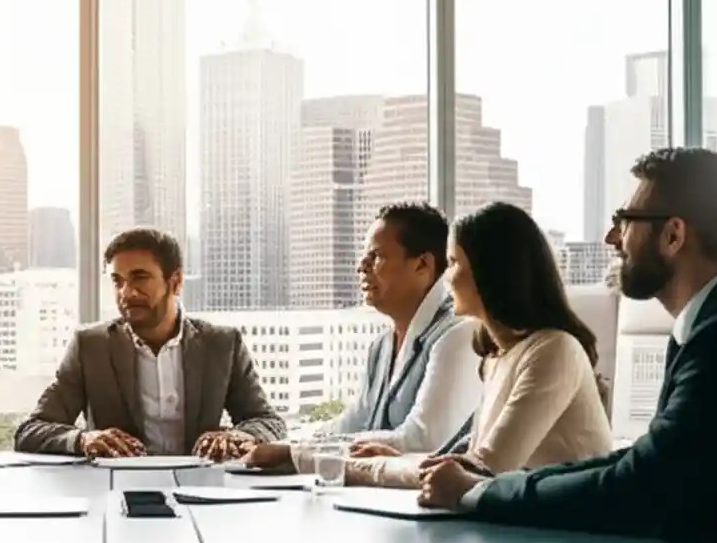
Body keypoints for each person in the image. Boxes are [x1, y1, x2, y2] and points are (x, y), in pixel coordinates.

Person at [418, 148, 717, 543]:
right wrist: (490, 487)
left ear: (673, 235)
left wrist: (475, 494)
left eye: (624, 221)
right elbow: (644, 462)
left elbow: (641, 487)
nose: (613, 239)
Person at [252, 203, 612, 487]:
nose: (447, 276)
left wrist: (314, 459)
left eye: (453, 262)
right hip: (522, 529)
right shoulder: (497, 357)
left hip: (572, 541)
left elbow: (479, 470)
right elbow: (452, 467)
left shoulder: (554, 350)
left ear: (492, 272)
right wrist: (333, 458)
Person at [242, 203, 481, 469]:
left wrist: (295, 454)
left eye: (376, 256)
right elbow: (353, 422)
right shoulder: (380, 346)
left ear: (422, 264)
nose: (361, 266)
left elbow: (423, 441)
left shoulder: (458, 335)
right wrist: (286, 443)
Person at [14, 228, 285, 461]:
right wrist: (82, 439)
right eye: (118, 281)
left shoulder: (222, 344)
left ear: (175, 282)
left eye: (140, 278)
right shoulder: (90, 347)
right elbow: (31, 430)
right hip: (118, 488)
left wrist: (241, 435)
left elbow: (269, 422)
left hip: (201, 487)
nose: (127, 293)